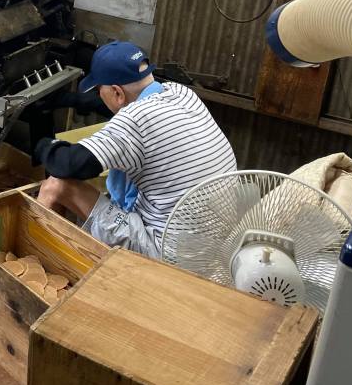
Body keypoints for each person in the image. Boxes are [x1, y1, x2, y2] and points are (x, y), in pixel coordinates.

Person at [34, 40, 236, 257]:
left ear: (117, 93)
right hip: (216, 247)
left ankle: (35, 264)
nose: (98, 95)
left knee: (56, 185)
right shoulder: (181, 93)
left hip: (168, 255)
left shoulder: (134, 123)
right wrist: (70, 100)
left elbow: (69, 164)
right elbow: (126, 105)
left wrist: (43, 145)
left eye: (99, 90)